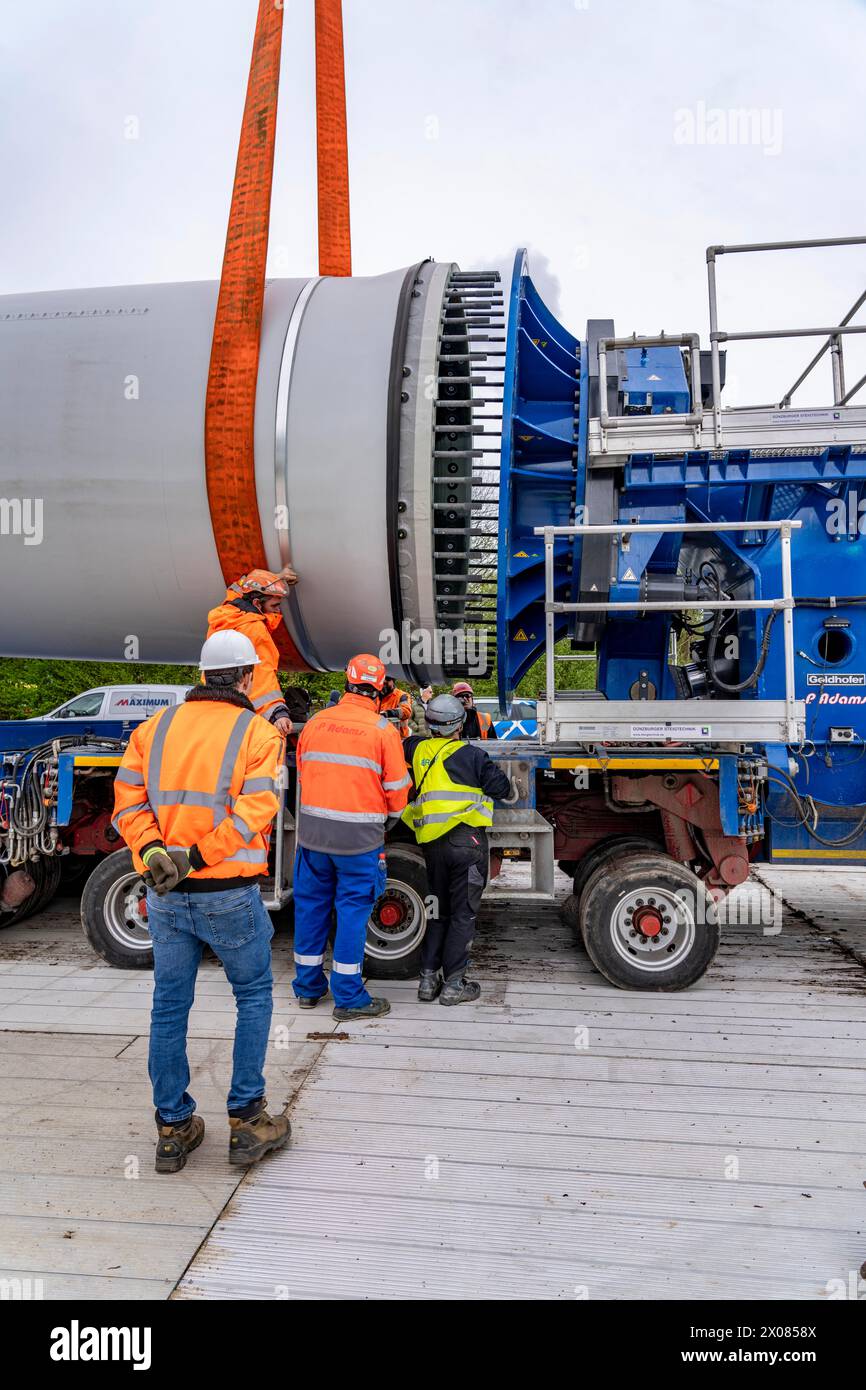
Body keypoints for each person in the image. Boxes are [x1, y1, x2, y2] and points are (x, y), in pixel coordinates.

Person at [112, 630, 290, 1174]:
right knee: (254, 997)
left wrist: (153, 851)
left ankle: (173, 1128)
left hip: (166, 896)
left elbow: (127, 804)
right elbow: (254, 813)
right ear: (246, 677)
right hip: (228, 892)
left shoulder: (153, 729)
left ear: (203, 675)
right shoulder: (259, 733)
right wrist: (197, 854)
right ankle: (246, 1120)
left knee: (169, 1007)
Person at [292, 653, 411, 1020]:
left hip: (312, 838)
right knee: (352, 914)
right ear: (379, 690)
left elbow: (302, 775)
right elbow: (397, 790)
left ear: (346, 683)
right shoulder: (382, 731)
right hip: (359, 841)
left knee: (311, 909)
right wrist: (388, 821)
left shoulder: (314, 723)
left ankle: (309, 989)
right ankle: (348, 997)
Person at [403, 693, 511, 1005]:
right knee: (463, 915)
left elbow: (404, 742)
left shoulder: (416, 749)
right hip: (467, 846)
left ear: (431, 724)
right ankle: (453, 986)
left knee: (437, 912)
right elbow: (502, 789)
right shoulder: (473, 756)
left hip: (432, 847)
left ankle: (427, 981)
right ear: (460, 724)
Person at [205, 567, 298, 736]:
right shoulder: (254, 629)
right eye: (275, 605)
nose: (278, 610)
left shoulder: (225, 616)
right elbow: (263, 674)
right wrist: (277, 712)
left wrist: (273, 580)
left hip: (212, 704)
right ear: (256, 603)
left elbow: (237, 589)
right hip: (241, 710)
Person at [379, 675, 413, 739]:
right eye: (382, 679)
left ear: (393, 681)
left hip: (399, 737)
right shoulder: (376, 696)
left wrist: (387, 713)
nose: (384, 681)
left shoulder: (402, 695)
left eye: (388, 679)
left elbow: (406, 711)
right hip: (381, 735)